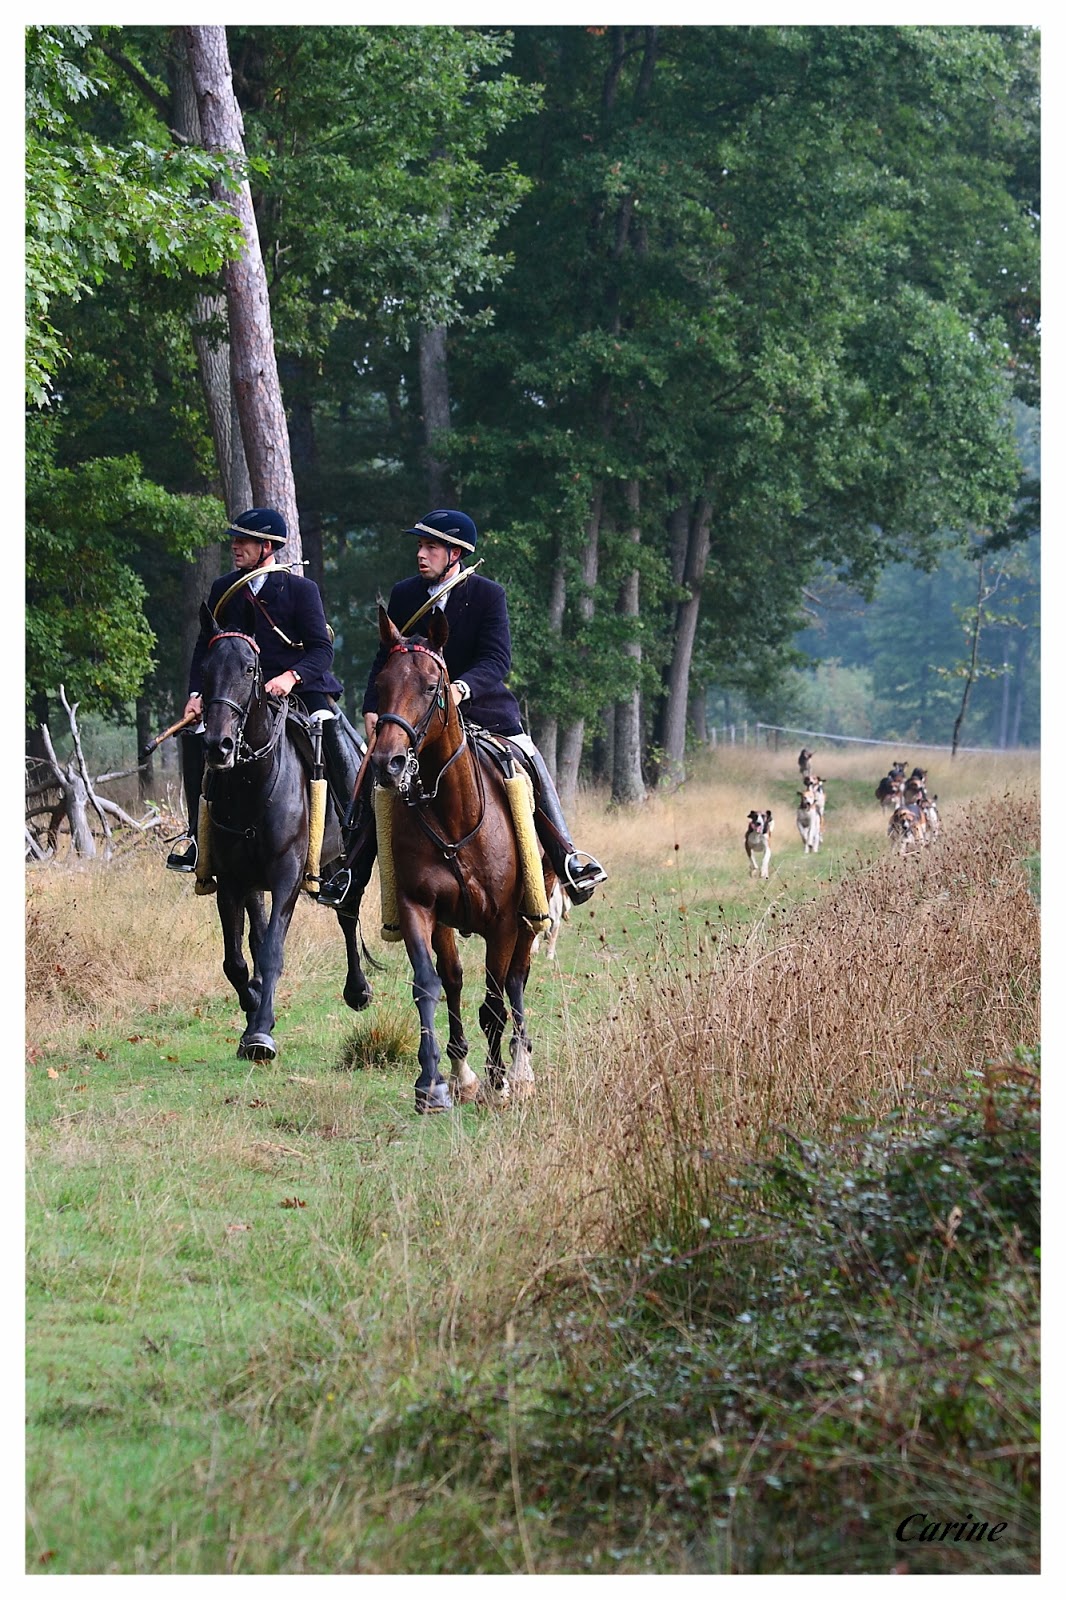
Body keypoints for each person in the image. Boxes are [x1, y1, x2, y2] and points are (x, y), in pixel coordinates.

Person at [316, 508, 607, 912]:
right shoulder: (404, 595)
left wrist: (460, 688)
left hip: (482, 711)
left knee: (528, 764)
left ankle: (567, 857)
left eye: (431, 547)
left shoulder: (488, 595)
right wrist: (371, 707)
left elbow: (496, 660)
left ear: (455, 554)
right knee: (374, 777)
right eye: (420, 546)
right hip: (415, 717)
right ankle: (352, 874)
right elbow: (387, 659)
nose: (421, 555)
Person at [166, 507, 363, 873]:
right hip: (237, 694)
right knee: (197, 734)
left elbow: (321, 649)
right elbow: (204, 648)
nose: (235, 547)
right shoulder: (223, 589)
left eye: (244, 541)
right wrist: (196, 693)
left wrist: (290, 677)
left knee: (329, 726)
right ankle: (197, 834)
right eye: (235, 540)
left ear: (268, 546)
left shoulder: (301, 590)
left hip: (298, 689)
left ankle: (353, 827)